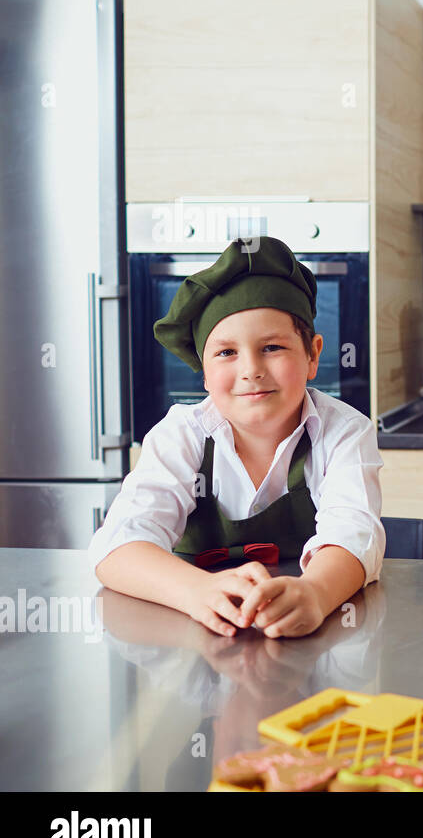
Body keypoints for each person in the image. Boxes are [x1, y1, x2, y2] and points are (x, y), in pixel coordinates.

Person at [89, 237, 384, 638]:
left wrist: (315, 592)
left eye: (273, 347)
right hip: (193, 638)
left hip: (307, 639)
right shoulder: (181, 435)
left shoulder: (344, 431)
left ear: (313, 355)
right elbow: (117, 547)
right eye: (226, 353)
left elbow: (355, 532)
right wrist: (197, 590)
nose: (251, 370)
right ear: (203, 371)